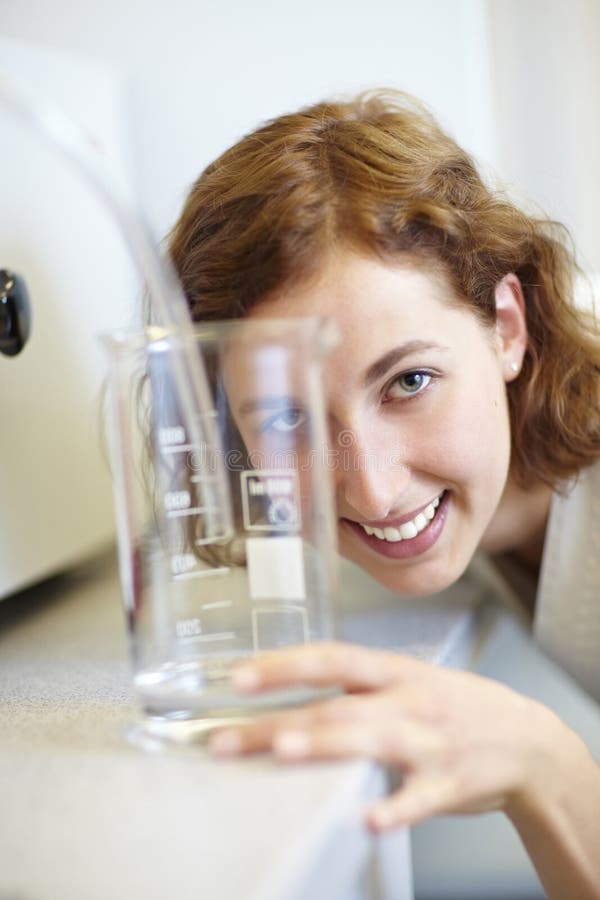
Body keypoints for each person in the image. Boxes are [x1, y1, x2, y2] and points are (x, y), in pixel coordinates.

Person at [167, 90, 600, 898]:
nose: (371, 485)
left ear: (507, 327)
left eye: (410, 381)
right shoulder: (502, 507)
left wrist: (542, 763)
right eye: (288, 416)